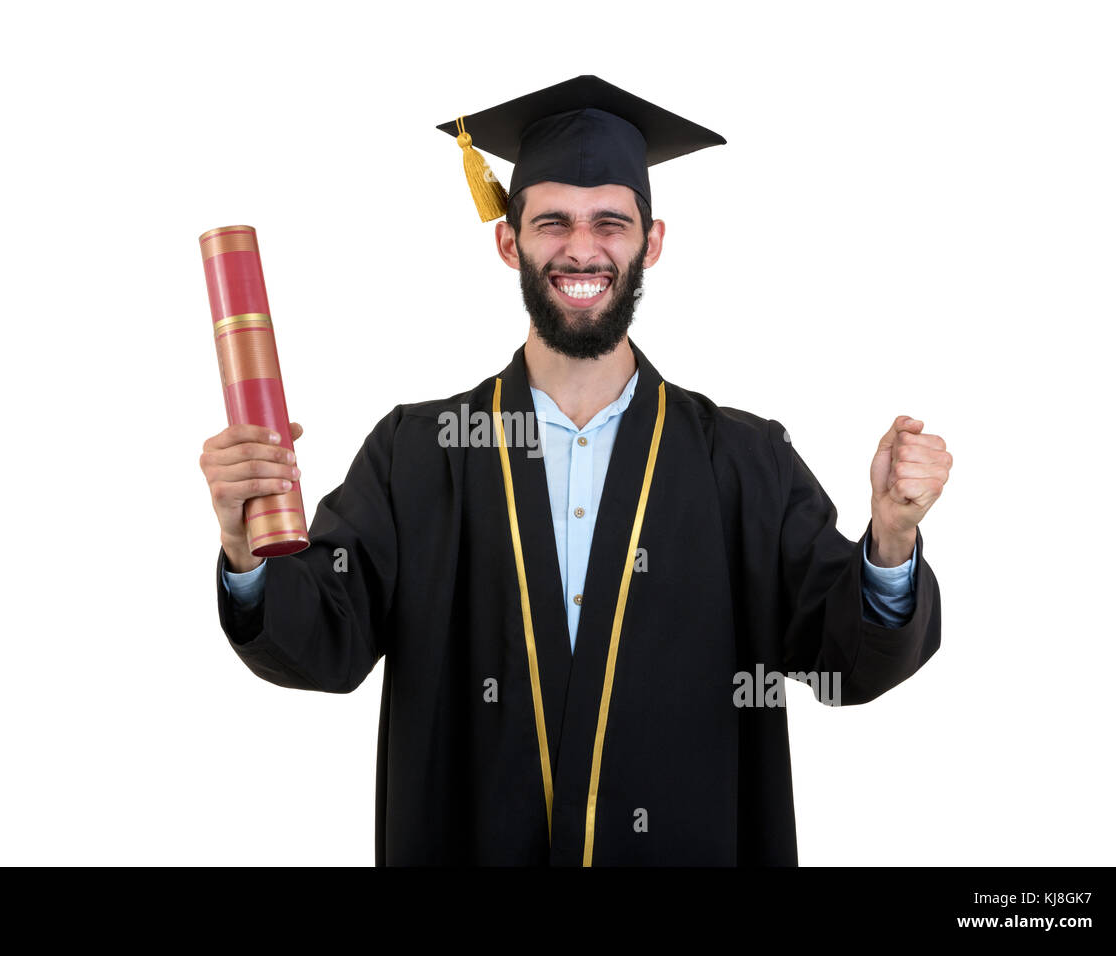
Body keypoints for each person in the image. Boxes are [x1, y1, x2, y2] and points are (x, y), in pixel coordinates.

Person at [198, 76, 950, 866]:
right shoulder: (418, 454)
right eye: (552, 221)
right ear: (507, 240)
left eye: (610, 224)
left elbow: (842, 662)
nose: (582, 249)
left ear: (651, 242)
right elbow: (321, 643)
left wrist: (891, 541)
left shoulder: (742, 460)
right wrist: (246, 548)